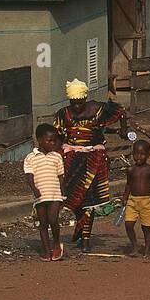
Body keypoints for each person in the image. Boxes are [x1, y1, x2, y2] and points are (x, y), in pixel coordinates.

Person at [55, 78, 128, 253]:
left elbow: (121, 111)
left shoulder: (98, 108)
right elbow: (57, 136)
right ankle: (81, 231)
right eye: (74, 103)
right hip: (71, 160)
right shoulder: (63, 114)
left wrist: (123, 130)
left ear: (85, 99)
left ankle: (86, 239)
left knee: (89, 199)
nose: (77, 106)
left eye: (80, 102)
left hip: (94, 159)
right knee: (74, 197)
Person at [24, 124, 66, 261]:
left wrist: (63, 195)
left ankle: (57, 244)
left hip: (55, 195)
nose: (53, 143)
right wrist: (35, 190)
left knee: (53, 220)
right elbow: (29, 177)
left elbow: (61, 177)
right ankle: (46, 251)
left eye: (54, 140)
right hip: (40, 196)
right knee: (43, 224)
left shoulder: (57, 157)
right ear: (40, 140)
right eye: (49, 140)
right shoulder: (31, 157)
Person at [122, 139, 150, 257]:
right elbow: (128, 184)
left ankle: (147, 249)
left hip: (147, 201)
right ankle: (135, 245)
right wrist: (125, 197)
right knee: (128, 224)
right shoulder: (130, 170)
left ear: (148, 155)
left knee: (146, 227)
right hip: (132, 201)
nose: (138, 156)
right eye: (136, 154)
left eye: (142, 154)